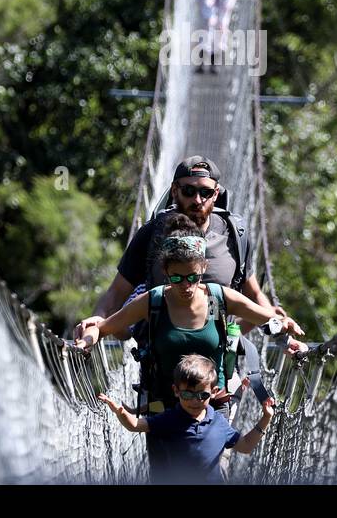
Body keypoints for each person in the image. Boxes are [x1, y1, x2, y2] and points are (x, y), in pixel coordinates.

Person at [73, 155, 304, 381]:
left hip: (216, 370)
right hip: (160, 367)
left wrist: (283, 337)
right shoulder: (152, 235)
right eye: (188, 191)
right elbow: (116, 293)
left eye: (205, 192)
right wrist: (96, 320)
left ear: (216, 194)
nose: (197, 199)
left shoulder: (235, 235)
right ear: (174, 191)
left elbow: (253, 296)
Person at [75, 214, 303, 411]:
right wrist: (87, 339)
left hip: (214, 407)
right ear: (165, 272)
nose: (186, 285)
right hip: (163, 410)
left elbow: (266, 319)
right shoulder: (154, 301)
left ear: (204, 268)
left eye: (193, 277)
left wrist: (285, 329)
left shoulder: (216, 299)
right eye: (177, 278)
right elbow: (104, 329)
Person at [97, 354, 274, 484]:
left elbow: (245, 446)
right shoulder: (169, 419)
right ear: (176, 391)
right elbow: (135, 425)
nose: (194, 401)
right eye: (187, 394)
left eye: (202, 395)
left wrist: (265, 418)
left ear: (213, 393)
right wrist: (120, 412)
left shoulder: (219, 421)